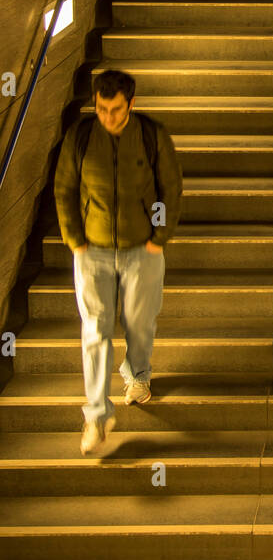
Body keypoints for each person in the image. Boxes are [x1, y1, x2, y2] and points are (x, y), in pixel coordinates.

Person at [54, 69, 183, 455]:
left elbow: (169, 189)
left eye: (115, 109)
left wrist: (158, 238)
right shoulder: (80, 136)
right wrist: (74, 239)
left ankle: (138, 374)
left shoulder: (150, 134)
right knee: (94, 329)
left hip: (141, 248)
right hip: (91, 249)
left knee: (140, 321)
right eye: (101, 108)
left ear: (131, 104)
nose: (108, 117)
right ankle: (96, 413)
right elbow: (64, 188)